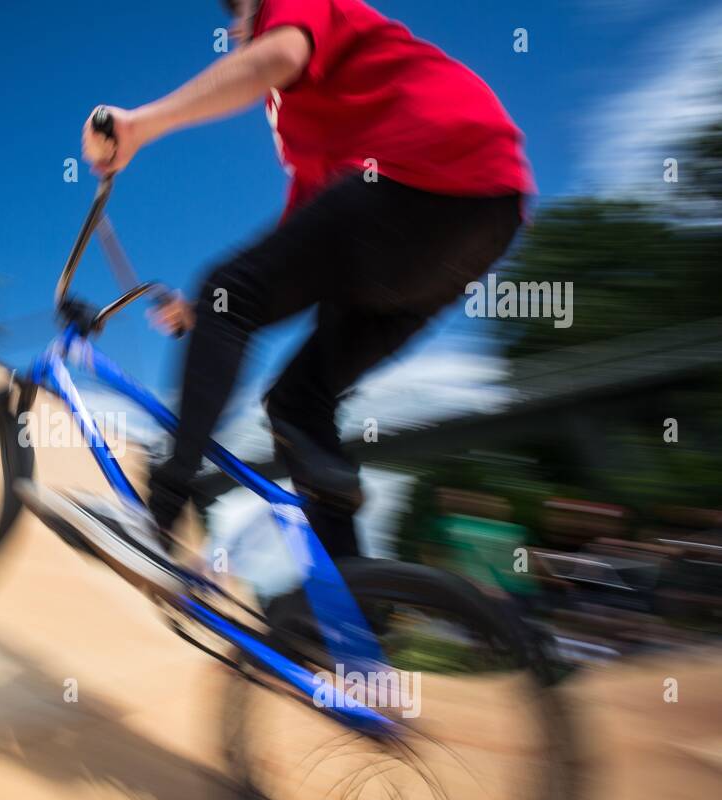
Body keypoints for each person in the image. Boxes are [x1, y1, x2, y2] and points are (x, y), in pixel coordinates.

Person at [60, 0, 532, 590]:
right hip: (471, 228)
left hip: (431, 176)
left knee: (232, 288)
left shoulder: (300, 18)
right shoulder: (301, 122)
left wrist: (139, 125)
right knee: (299, 403)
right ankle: (357, 633)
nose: (235, 29)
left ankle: (153, 517)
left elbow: (278, 56)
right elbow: (301, 241)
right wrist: (208, 315)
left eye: (239, 13)